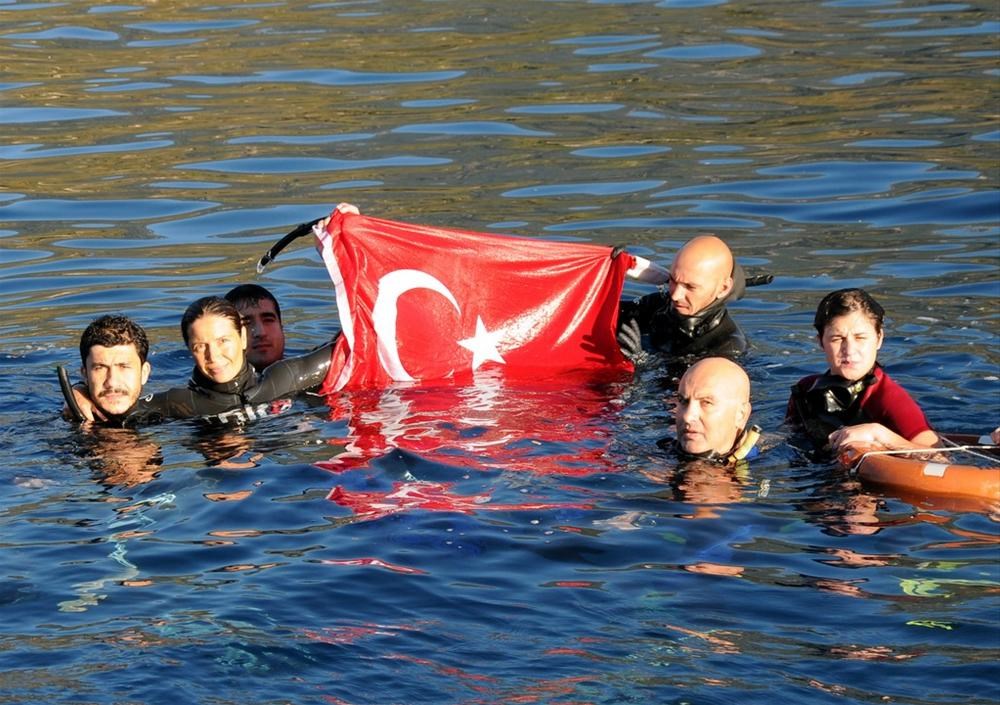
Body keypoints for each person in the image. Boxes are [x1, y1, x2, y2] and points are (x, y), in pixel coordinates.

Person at [68, 297, 334, 427]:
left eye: (222, 341)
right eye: (200, 347)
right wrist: (78, 392)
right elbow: (115, 408)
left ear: (242, 337)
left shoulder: (286, 377)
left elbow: (356, 339)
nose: (214, 356)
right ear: (188, 349)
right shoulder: (177, 403)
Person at [786, 288, 939, 452]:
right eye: (838, 339)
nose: (850, 350)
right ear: (821, 342)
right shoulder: (806, 390)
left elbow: (939, 457)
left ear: (879, 338)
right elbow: (787, 436)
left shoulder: (889, 398)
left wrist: (878, 434)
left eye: (860, 338)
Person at [617, 235, 748, 363]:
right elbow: (606, 311)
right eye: (673, 281)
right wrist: (609, 268)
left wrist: (637, 362)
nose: (675, 295)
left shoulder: (726, 349)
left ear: (723, 288)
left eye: (690, 287)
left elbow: (681, 384)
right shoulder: (661, 306)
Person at [671, 356, 759, 463]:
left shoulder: (764, 469)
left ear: (741, 415)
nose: (688, 417)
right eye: (683, 401)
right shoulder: (655, 460)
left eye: (706, 402)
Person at [73, 314, 153, 423]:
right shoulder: (62, 422)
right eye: (100, 368)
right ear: (85, 375)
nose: (112, 382)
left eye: (124, 367)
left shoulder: (172, 407)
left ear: (144, 373)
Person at [225, 284, 286, 370]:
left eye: (268, 320)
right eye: (246, 323)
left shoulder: (308, 368)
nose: (260, 333)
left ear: (281, 327)